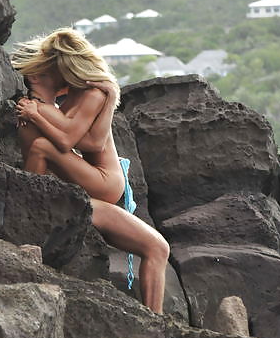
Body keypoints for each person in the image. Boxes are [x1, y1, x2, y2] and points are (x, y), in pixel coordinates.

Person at [10, 27, 170, 314]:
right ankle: (155, 320)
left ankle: (155, 321)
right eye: (48, 72)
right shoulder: (45, 107)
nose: (58, 79)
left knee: (158, 248)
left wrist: (109, 101)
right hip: (97, 187)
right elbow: (66, 141)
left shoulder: (70, 100)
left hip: (100, 183)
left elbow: (87, 140)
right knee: (158, 247)